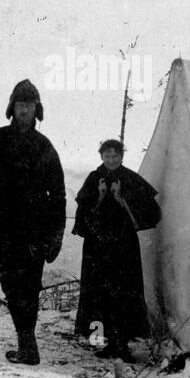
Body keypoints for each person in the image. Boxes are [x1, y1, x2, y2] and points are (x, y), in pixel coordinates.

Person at [0, 79, 66, 365]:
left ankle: (27, 343)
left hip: (35, 229)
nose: (25, 110)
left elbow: (58, 194)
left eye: (30, 106)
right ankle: (26, 341)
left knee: (29, 286)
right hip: (3, 227)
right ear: (12, 108)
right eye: (21, 105)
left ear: (37, 109)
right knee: (11, 284)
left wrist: (55, 234)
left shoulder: (45, 147)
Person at [72, 139, 160, 361]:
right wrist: (101, 197)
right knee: (98, 293)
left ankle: (122, 344)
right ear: (101, 157)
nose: (111, 160)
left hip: (123, 247)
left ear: (122, 156)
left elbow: (152, 213)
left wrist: (122, 200)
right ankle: (101, 340)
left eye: (115, 156)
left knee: (124, 293)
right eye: (107, 156)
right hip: (98, 247)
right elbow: (83, 215)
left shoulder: (130, 179)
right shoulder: (94, 178)